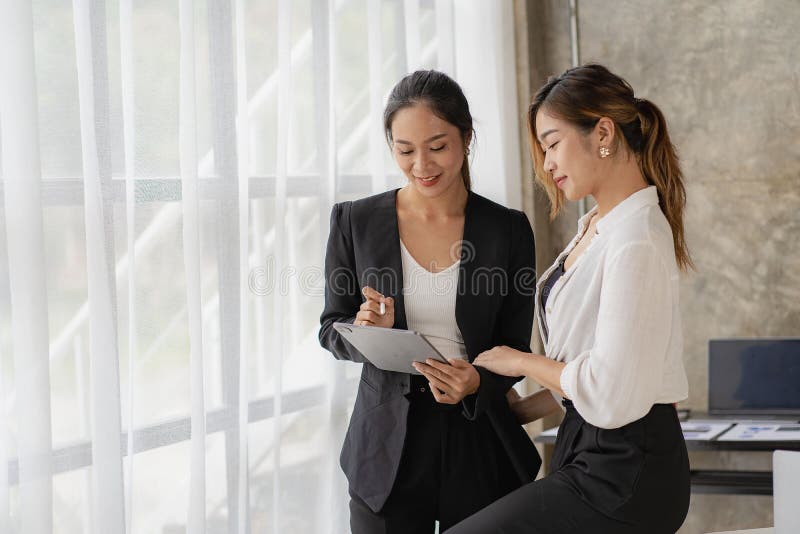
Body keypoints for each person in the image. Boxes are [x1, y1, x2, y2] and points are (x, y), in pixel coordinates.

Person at [449, 63, 693, 534]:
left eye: (553, 143)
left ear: (602, 131)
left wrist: (520, 362)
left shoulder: (635, 239)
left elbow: (609, 393)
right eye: (543, 150)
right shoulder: (598, 227)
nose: (547, 164)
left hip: (626, 472)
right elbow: (591, 373)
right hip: (590, 452)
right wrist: (514, 412)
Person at [318, 69, 541, 533]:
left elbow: (514, 345)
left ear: (466, 138)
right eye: (405, 151)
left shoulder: (508, 229)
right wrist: (364, 334)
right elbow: (330, 328)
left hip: (477, 437)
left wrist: (477, 380)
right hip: (386, 447)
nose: (422, 164)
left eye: (438, 146)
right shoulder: (355, 221)